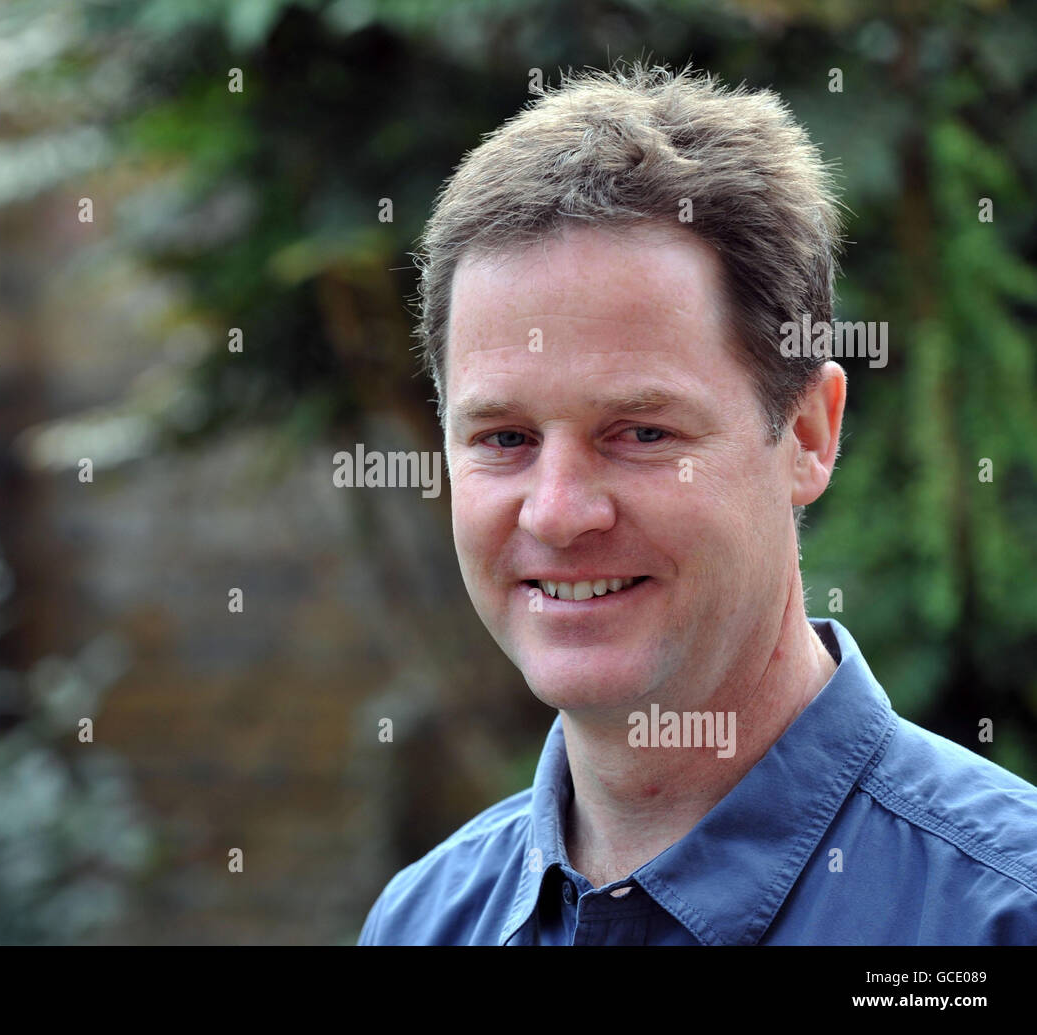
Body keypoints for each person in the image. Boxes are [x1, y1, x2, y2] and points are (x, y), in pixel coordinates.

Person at [357, 64, 1037, 945]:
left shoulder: (1000, 920)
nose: (558, 514)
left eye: (640, 433)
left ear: (806, 435)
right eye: (505, 440)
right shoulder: (422, 922)